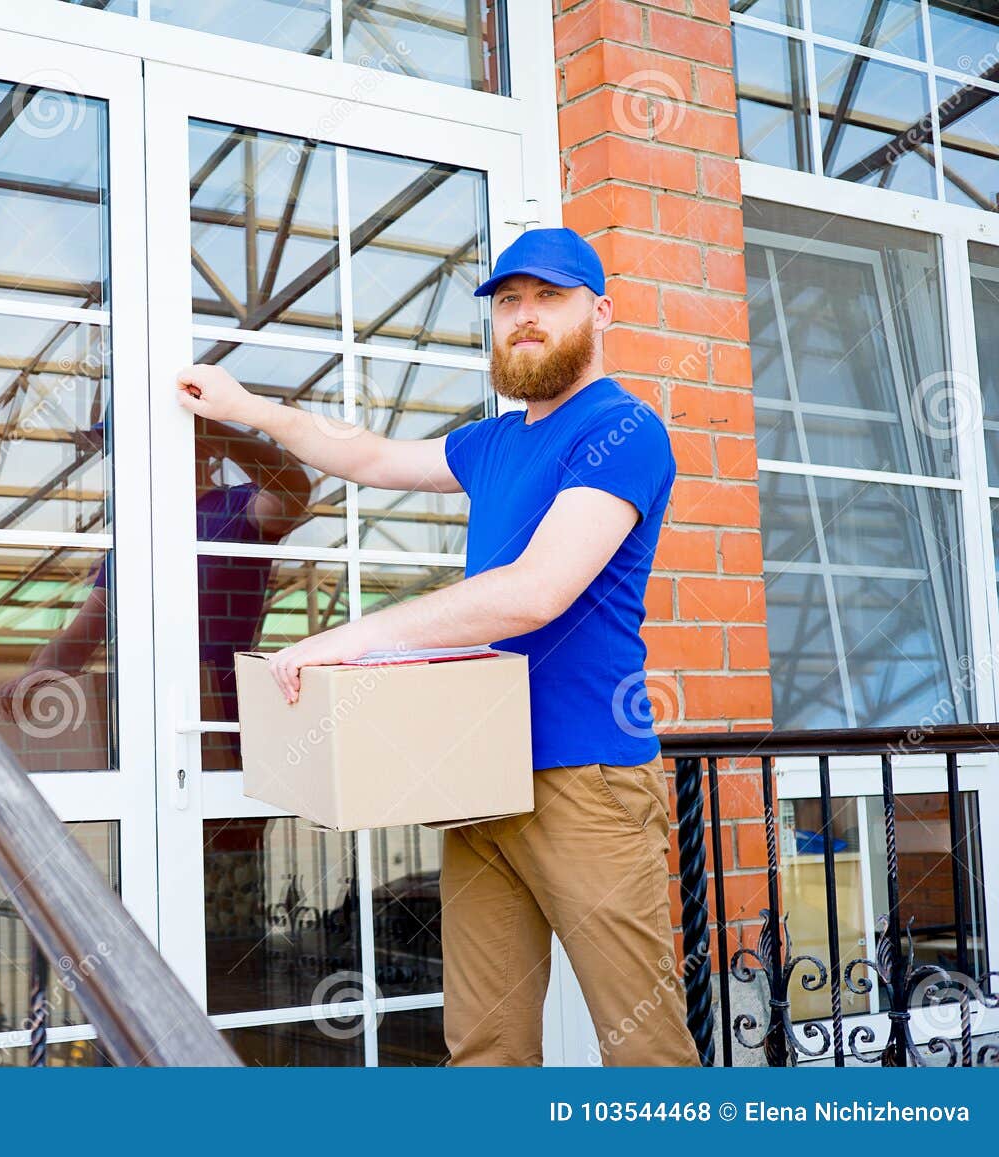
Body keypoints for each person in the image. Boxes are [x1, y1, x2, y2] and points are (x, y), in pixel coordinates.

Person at [173, 227, 699, 1066]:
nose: (524, 318)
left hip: (584, 778)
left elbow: (536, 590)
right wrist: (248, 410)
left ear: (599, 312)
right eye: (508, 303)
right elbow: (373, 457)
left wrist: (349, 640)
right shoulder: (493, 442)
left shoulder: (623, 429)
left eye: (549, 299)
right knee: (484, 1046)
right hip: (478, 770)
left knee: (643, 1048)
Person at [0, 417, 313, 758]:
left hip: (225, 726)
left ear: (203, 448)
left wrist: (206, 427)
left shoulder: (239, 508)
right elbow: (79, 639)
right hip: (148, 730)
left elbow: (291, 486)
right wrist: (38, 673)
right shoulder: (134, 542)